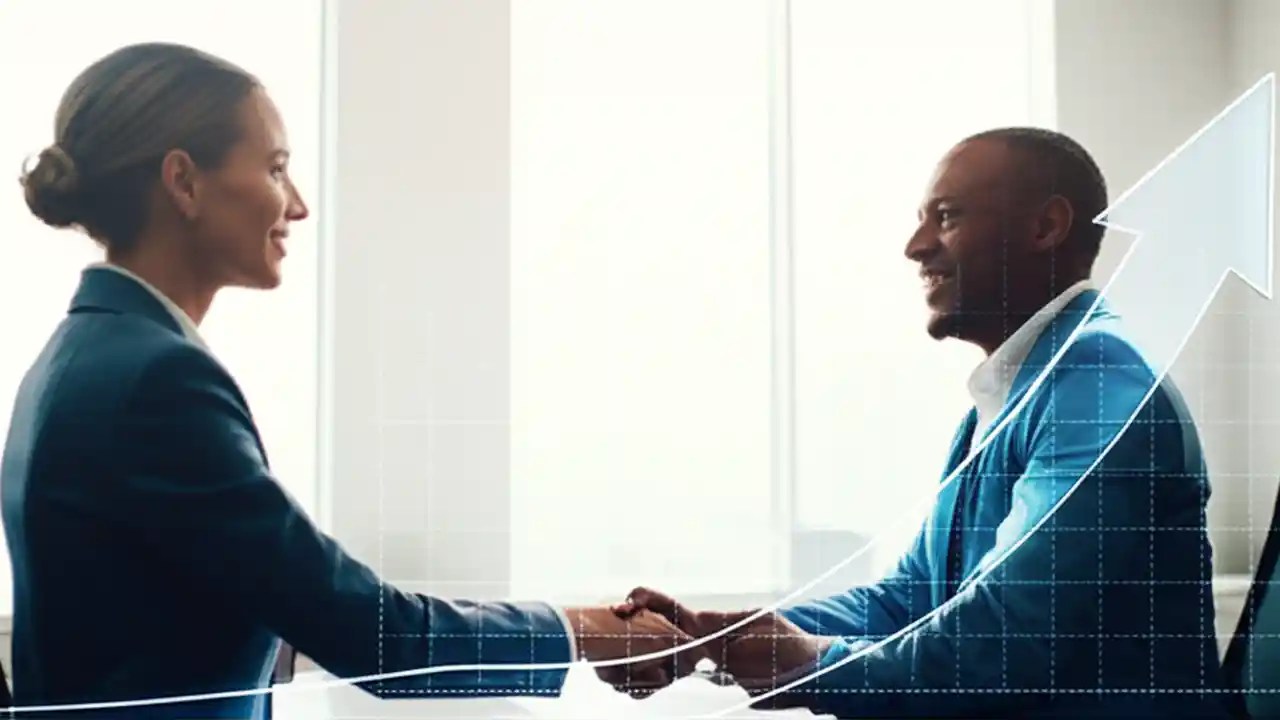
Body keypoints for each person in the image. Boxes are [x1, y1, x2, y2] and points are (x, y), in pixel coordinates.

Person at [0, 42, 717, 720]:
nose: (298, 205)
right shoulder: (157, 380)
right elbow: (376, 638)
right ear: (184, 181)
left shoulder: (78, 357)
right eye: (276, 168)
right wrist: (584, 631)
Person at [618, 128, 1229, 718]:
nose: (915, 246)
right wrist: (718, 636)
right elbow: (910, 599)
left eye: (947, 216)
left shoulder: (1100, 389)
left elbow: (1004, 643)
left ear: (1045, 227)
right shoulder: (1004, 400)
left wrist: (809, 662)